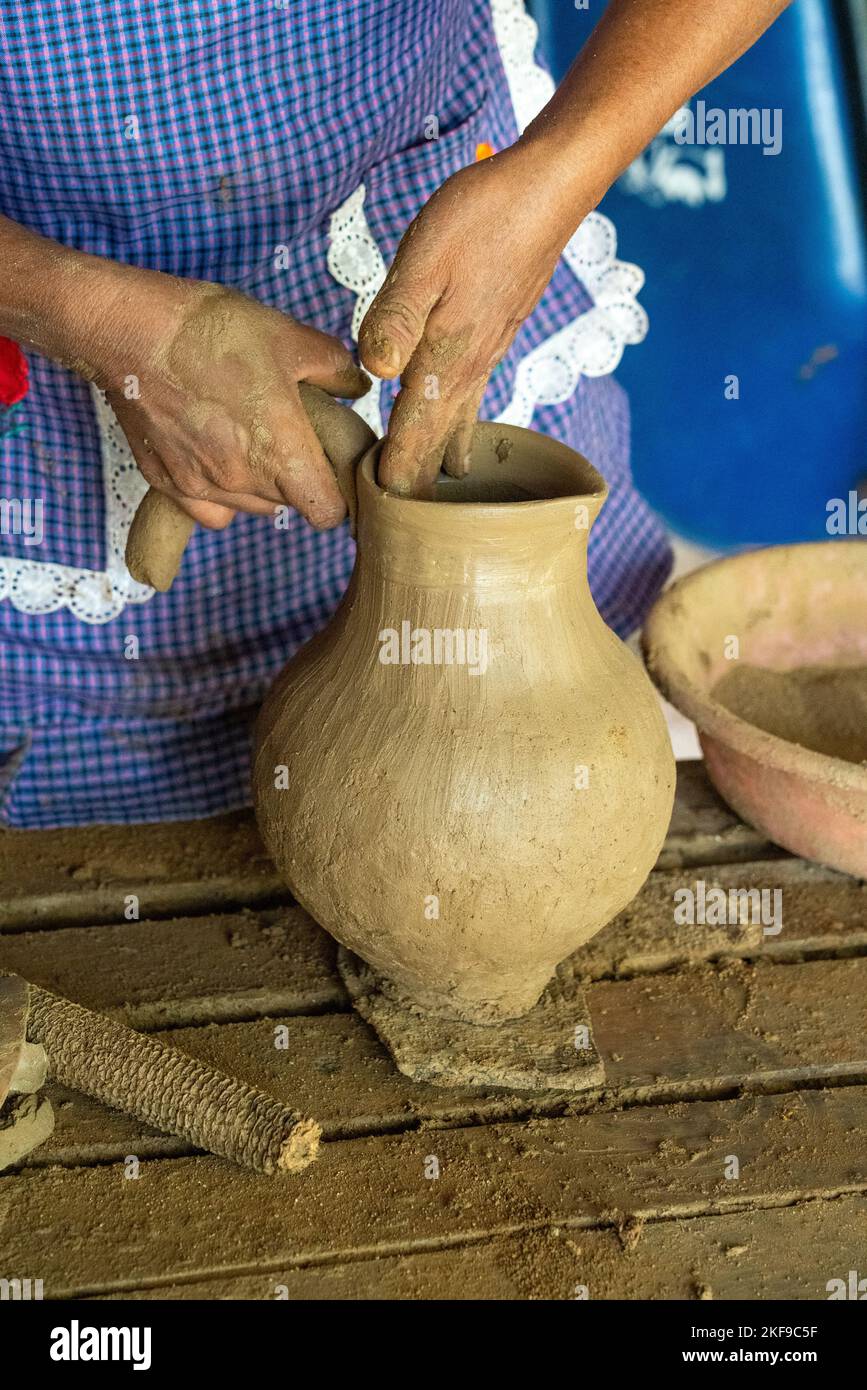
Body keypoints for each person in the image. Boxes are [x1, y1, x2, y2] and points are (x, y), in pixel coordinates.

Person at [0, 0, 787, 827]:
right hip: (49, 329)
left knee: (548, 727)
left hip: (438, 223)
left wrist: (563, 168)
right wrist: (90, 322)